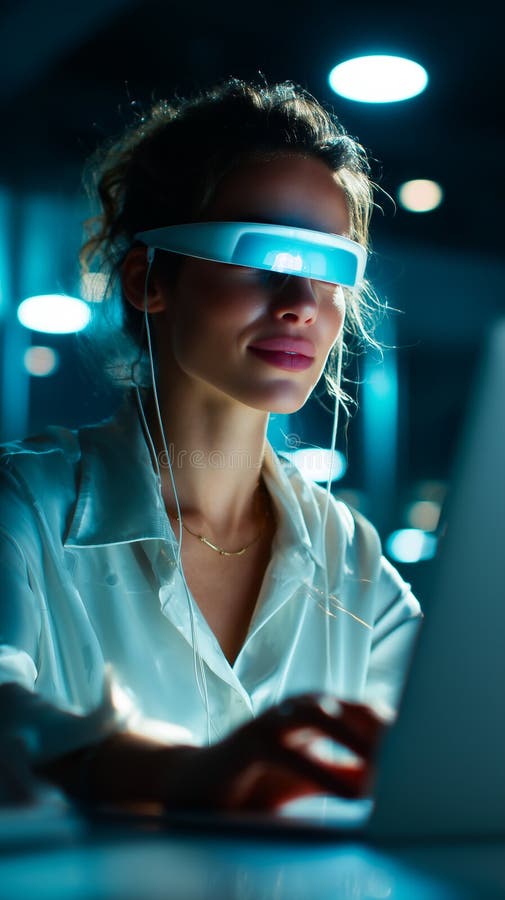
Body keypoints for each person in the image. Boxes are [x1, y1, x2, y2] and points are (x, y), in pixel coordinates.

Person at [0, 78, 421, 813]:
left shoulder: (346, 551)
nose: (298, 305)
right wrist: (171, 777)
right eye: (259, 254)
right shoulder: (25, 510)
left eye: (329, 271)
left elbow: (446, 740)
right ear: (148, 280)